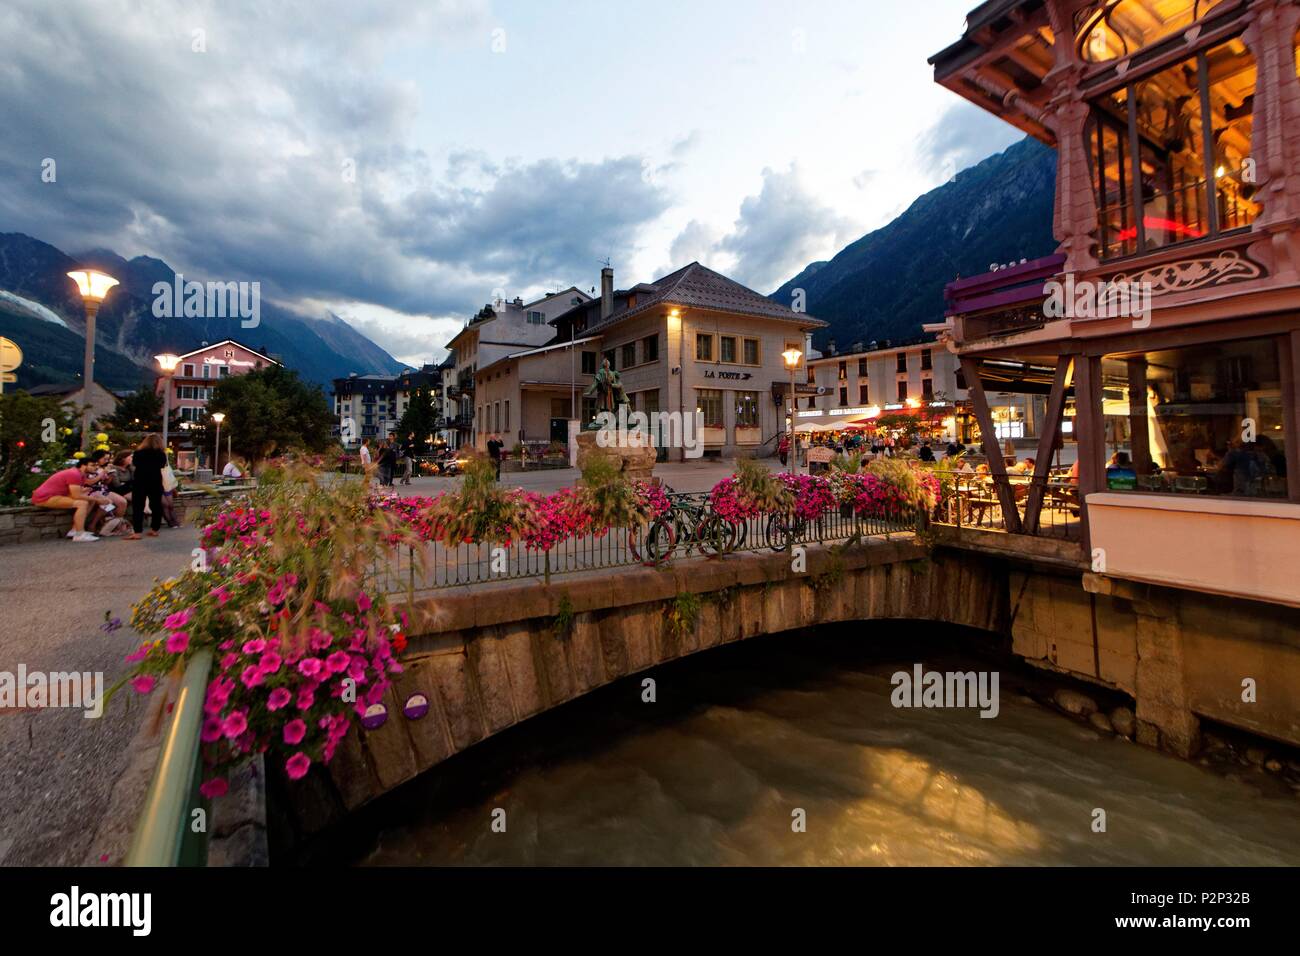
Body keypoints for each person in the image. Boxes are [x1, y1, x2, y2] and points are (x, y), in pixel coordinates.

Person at [32, 455, 106, 541]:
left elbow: (73, 492)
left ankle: (75, 530)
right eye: (93, 465)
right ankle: (79, 535)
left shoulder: (80, 474)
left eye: (96, 465)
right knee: (82, 503)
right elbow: (76, 496)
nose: (96, 467)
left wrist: (85, 492)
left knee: (89, 501)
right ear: (83, 466)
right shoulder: (74, 474)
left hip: (56, 495)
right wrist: (99, 500)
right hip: (45, 497)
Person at [128, 434, 168, 539]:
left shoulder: (138, 453)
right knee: (156, 505)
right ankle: (155, 529)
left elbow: (135, 464)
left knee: (138, 506)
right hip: (155, 480)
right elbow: (162, 465)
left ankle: (137, 532)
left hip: (140, 480)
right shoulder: (161, 454)